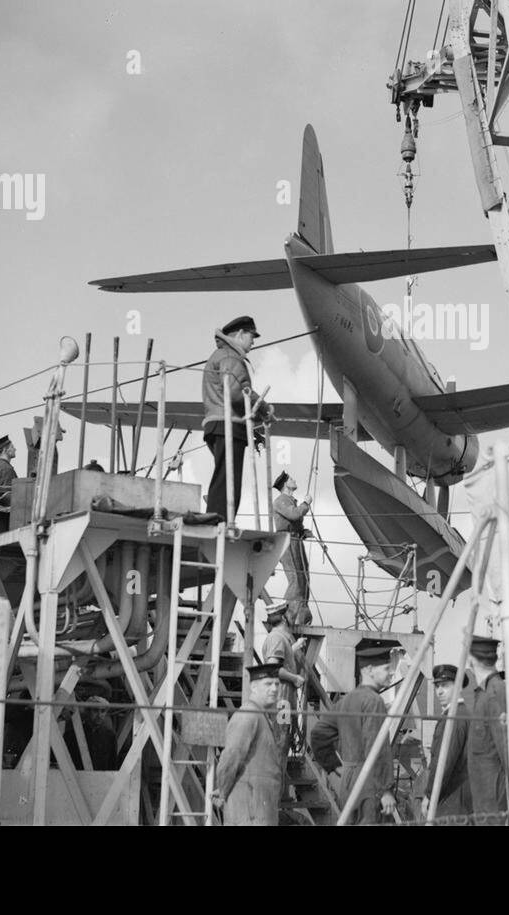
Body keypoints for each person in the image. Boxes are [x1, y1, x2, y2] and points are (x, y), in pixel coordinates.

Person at [309, 641, 399, 824]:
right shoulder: (374, 701)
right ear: (369, 670)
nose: (392, 673)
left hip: (348, 782)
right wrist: (386, 790)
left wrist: (334, 765)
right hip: (370, 782)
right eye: (387, 668)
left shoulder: (347, 700)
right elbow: (377, 747)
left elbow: (318, 733)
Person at [202, 316, 262, 519]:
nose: (253, 342)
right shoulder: (230, 356)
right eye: (251, 336)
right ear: (240, 334)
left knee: (224, 475)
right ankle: (220, 519)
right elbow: (237, 392)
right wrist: (263, 408)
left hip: (216, 422)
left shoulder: (221, 354)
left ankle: (218, 517)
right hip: (228, 424)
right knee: (229, 479)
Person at [213, 660, 285, 826]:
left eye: (276, 684)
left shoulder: (260, 715)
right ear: (253, 687)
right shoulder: (248, 714)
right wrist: (223, 790)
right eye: (268, 684)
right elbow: (231, 756)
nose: (274, 689)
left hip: (259, 807)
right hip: (250, 811)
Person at [418, 664, 473, 823]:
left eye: (445, 686)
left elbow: (443, 763)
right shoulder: (465, 713)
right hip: (464, 799)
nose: (439, 691)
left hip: (451, 801)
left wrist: (429, 796)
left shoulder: (453, 719)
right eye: (437, 686)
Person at [466, 636, 509, 824]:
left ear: (471, 660)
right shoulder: (485, 693)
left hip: (493, 798)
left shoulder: (494, 692)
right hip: (485, 796)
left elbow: (505, 745)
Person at [261, 601, 308, 747]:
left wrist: (294, 647)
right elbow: (273, 668)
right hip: (281, 700)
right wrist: (295, 678)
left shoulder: (278, 638)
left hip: (281, 699)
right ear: (284, 618)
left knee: (282, 738)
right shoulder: (277, 638)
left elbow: (280, 659)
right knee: (280, 740)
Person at [271, 471, 312, 623]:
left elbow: (294, 520)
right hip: (286, 541)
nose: (294, 480)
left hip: (295, 540)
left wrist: (303, 531)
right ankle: (288, 617)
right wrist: (306, 504)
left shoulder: (290, 500)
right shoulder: (281, 500)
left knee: (303, 577)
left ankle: (302, 614)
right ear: (285, 484)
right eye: (291, 479)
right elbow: (294, 515)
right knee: (295, 578)